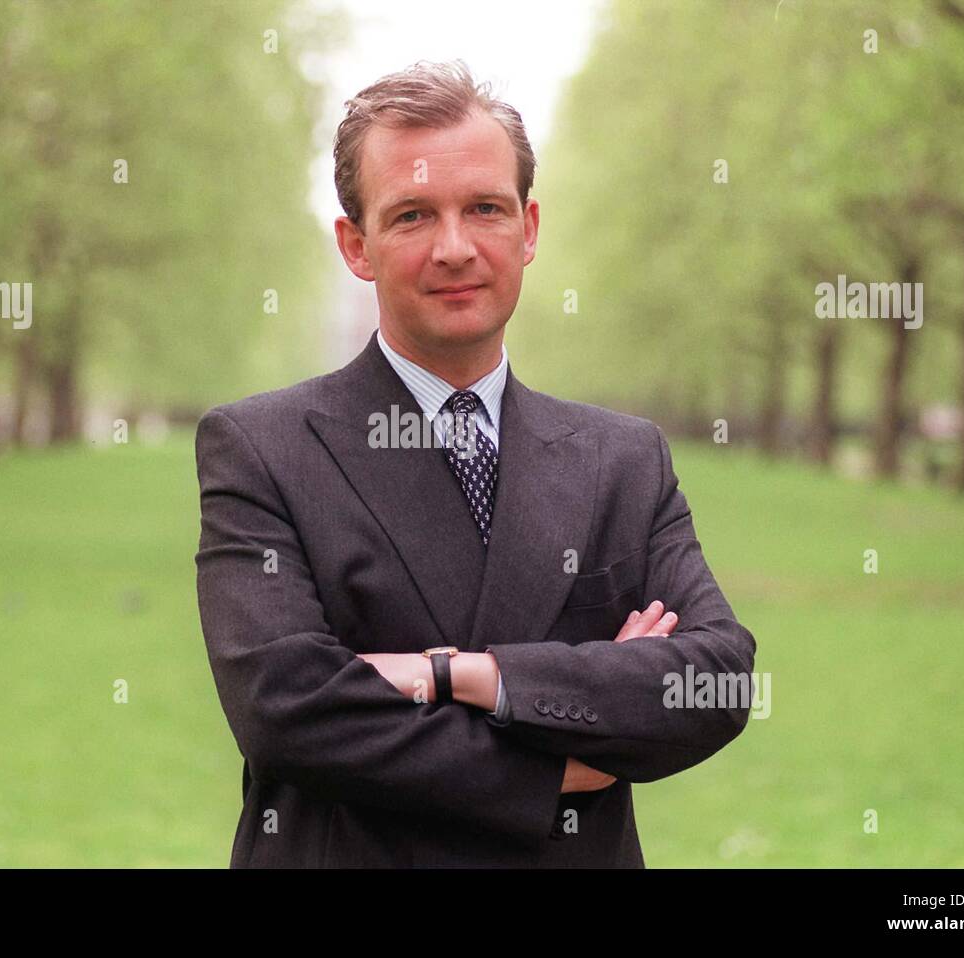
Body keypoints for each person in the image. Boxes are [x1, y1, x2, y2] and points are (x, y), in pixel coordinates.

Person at [194, 59, 756, 867]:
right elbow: (285, 709)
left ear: (528, 230)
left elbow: (714, 680)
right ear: (358, 245)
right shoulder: (262, 449)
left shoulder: (623, 459)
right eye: (414, 215)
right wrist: (566, 754)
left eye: (484, 209)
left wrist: (458, 674)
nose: (455, 248)